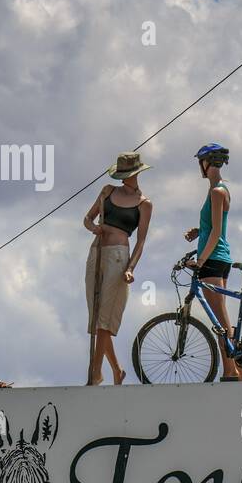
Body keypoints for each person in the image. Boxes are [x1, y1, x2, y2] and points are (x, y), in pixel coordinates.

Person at [82, 152, 153, 385]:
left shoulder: (144, 203)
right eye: (121, 174)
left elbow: (141, 241)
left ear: (137, 173)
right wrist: (94, 228)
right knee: (96, 319)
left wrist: (131, 267)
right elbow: (87, 218)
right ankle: (116, 370)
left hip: (118, 258)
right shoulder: (107, 191)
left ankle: (95, 373)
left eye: (127, 174)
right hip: (96, 252)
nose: (124, 178)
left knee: (105, 318)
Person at [184, 143, 242, 380]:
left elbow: (217, 231)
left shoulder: (217, 192)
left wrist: (200, 260)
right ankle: (232, 369)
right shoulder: (220, 190)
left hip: (213, 258)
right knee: (219, 317)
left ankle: (232, 371)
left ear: (206, 163)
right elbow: (213, 226)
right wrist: (200, 231)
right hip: (220, 257)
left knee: (220, 318)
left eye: (201, 162)